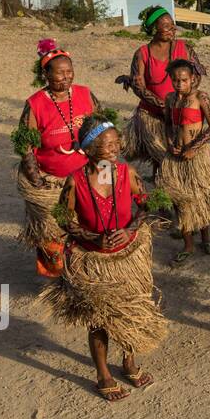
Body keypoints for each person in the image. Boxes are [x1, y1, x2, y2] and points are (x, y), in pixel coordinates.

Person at [39, 115, 166, 401]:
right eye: (106, 144)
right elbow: (63, 218)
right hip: (95, 261)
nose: (114, 148)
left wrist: (131, 228)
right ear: (88, 148)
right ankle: (102, 374)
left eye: (115, 142)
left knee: (132, 309)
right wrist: (92, 237)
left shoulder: (124, 173)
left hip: (128, 257)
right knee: (98, 319)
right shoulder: (75, 181)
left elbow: (145, 204)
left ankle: (129, 362)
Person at [15, 40, 105, 278]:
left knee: (89, 225)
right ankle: (58, 277)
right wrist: (36, 179)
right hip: (52, 180)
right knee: (54, 230)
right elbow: (25, 144)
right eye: (60, 73)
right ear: (46, 74)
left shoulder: (86, 95)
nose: (66, 77)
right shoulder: (35, 104)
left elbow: (103, 128)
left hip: (85, 175)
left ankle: (86, 273)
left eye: (70, 71)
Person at [156, 58, 210, 263]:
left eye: (184, 80)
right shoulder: (170, 99)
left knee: (199, 196)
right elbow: (168, 125)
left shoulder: (200, 97)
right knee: (180, 199)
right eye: (176, 80)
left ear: (193, 79)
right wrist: (170, 143)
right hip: (175, 157)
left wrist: (194, 148)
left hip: (196, 156)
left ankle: (205, 237)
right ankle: (188, 244)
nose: (179, 84)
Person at [121, 5, 202, 175]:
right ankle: (162, 182)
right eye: (166, 26)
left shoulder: (185, 48)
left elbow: (197, 75)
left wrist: (182, 102)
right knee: (163, 156)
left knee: (182, 153)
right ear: (153, 28)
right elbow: (138, 86)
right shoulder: (142, 54)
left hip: (181, 113)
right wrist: (164, 105)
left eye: (172, 25)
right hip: (152, 115)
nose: (172, 29)